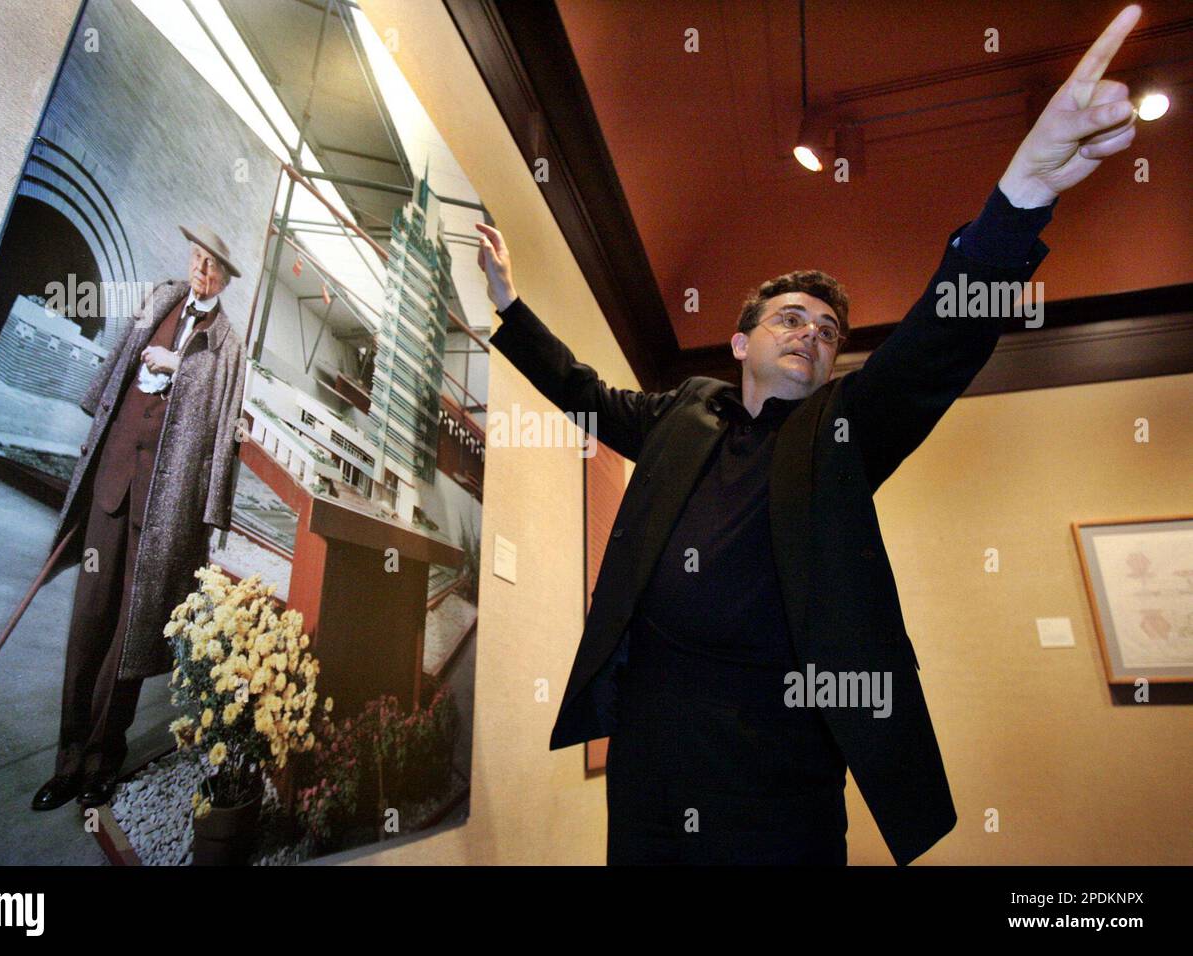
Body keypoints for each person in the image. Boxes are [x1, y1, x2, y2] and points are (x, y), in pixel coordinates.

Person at [474, 6, 1143, 864]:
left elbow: (936, 346)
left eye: (828, 332)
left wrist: (1021, 199)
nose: (812, 335)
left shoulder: (841, 432)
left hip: (784, 757)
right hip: (653, 741)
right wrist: (508, 307)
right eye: (791, 318)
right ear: (743, 341)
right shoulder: (683, 413)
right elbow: (581, 392)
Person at [32, 226, 248, 811]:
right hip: (112, 483)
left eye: (215, 267)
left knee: (130, 632)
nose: (203, 271)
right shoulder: (159, 298)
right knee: (89, 624)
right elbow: (118, 365)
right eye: (199, 259)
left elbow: (223, 429)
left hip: (163, 507)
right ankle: (67, 759)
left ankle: (103, 760)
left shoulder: (228, 346)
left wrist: (179, 365)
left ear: (226, 279)